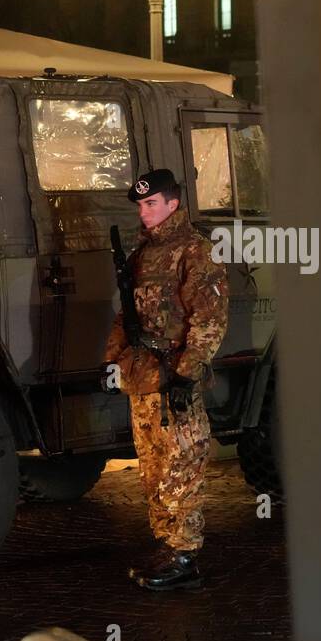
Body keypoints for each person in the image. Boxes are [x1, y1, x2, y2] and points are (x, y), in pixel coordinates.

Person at [102, 168, 229, 590]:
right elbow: (128, 314)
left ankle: (186, 554)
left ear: (173, 203)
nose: (144, 212)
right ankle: (167, 545)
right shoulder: (142, 253)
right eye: (141, 205)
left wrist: (186, 374)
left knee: (183, 464)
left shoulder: (195, 251)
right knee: (154, 467)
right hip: (143, 377)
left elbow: (208, 320)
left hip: (174, 377)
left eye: (151, 203)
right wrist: (117, 357)